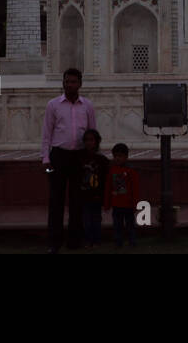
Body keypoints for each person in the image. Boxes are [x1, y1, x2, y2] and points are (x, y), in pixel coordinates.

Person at [41, 68, 97, 253]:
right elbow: (47, 133)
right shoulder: (53, 105)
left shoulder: (87, 105)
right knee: (56, 200)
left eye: (73, 82)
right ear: (63, 83)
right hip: (58, 156)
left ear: (80, 84)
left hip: (79, 158)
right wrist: (46, 158)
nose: (70, 85)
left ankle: (75, 241)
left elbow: (92, 133)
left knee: (77, 200)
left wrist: (92, 157)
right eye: (67, 82)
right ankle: (53, 242)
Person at [105, 143, 140, 248]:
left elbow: (135, 189)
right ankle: (118, 242)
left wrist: (135, 204)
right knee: (117, 226)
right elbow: (108, 188)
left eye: (120, 156)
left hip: (128, 204)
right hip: (116, 205)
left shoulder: (131, 171)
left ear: (126, 157)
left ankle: (132, 242)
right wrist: (107, 204)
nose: (117, 158)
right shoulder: (112, 170)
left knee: (130, 225)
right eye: (115, 156)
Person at [77, 129, 109, 245]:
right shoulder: (79, 158)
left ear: (97, 141)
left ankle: (97, 239)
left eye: (91, 140)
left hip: (96, 195)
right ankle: (88, 239)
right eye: (86, 140)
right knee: (86, 218)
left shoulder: (102, 160)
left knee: (96, 218)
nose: (89, 143)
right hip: (84, 194)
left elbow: (106, 178)